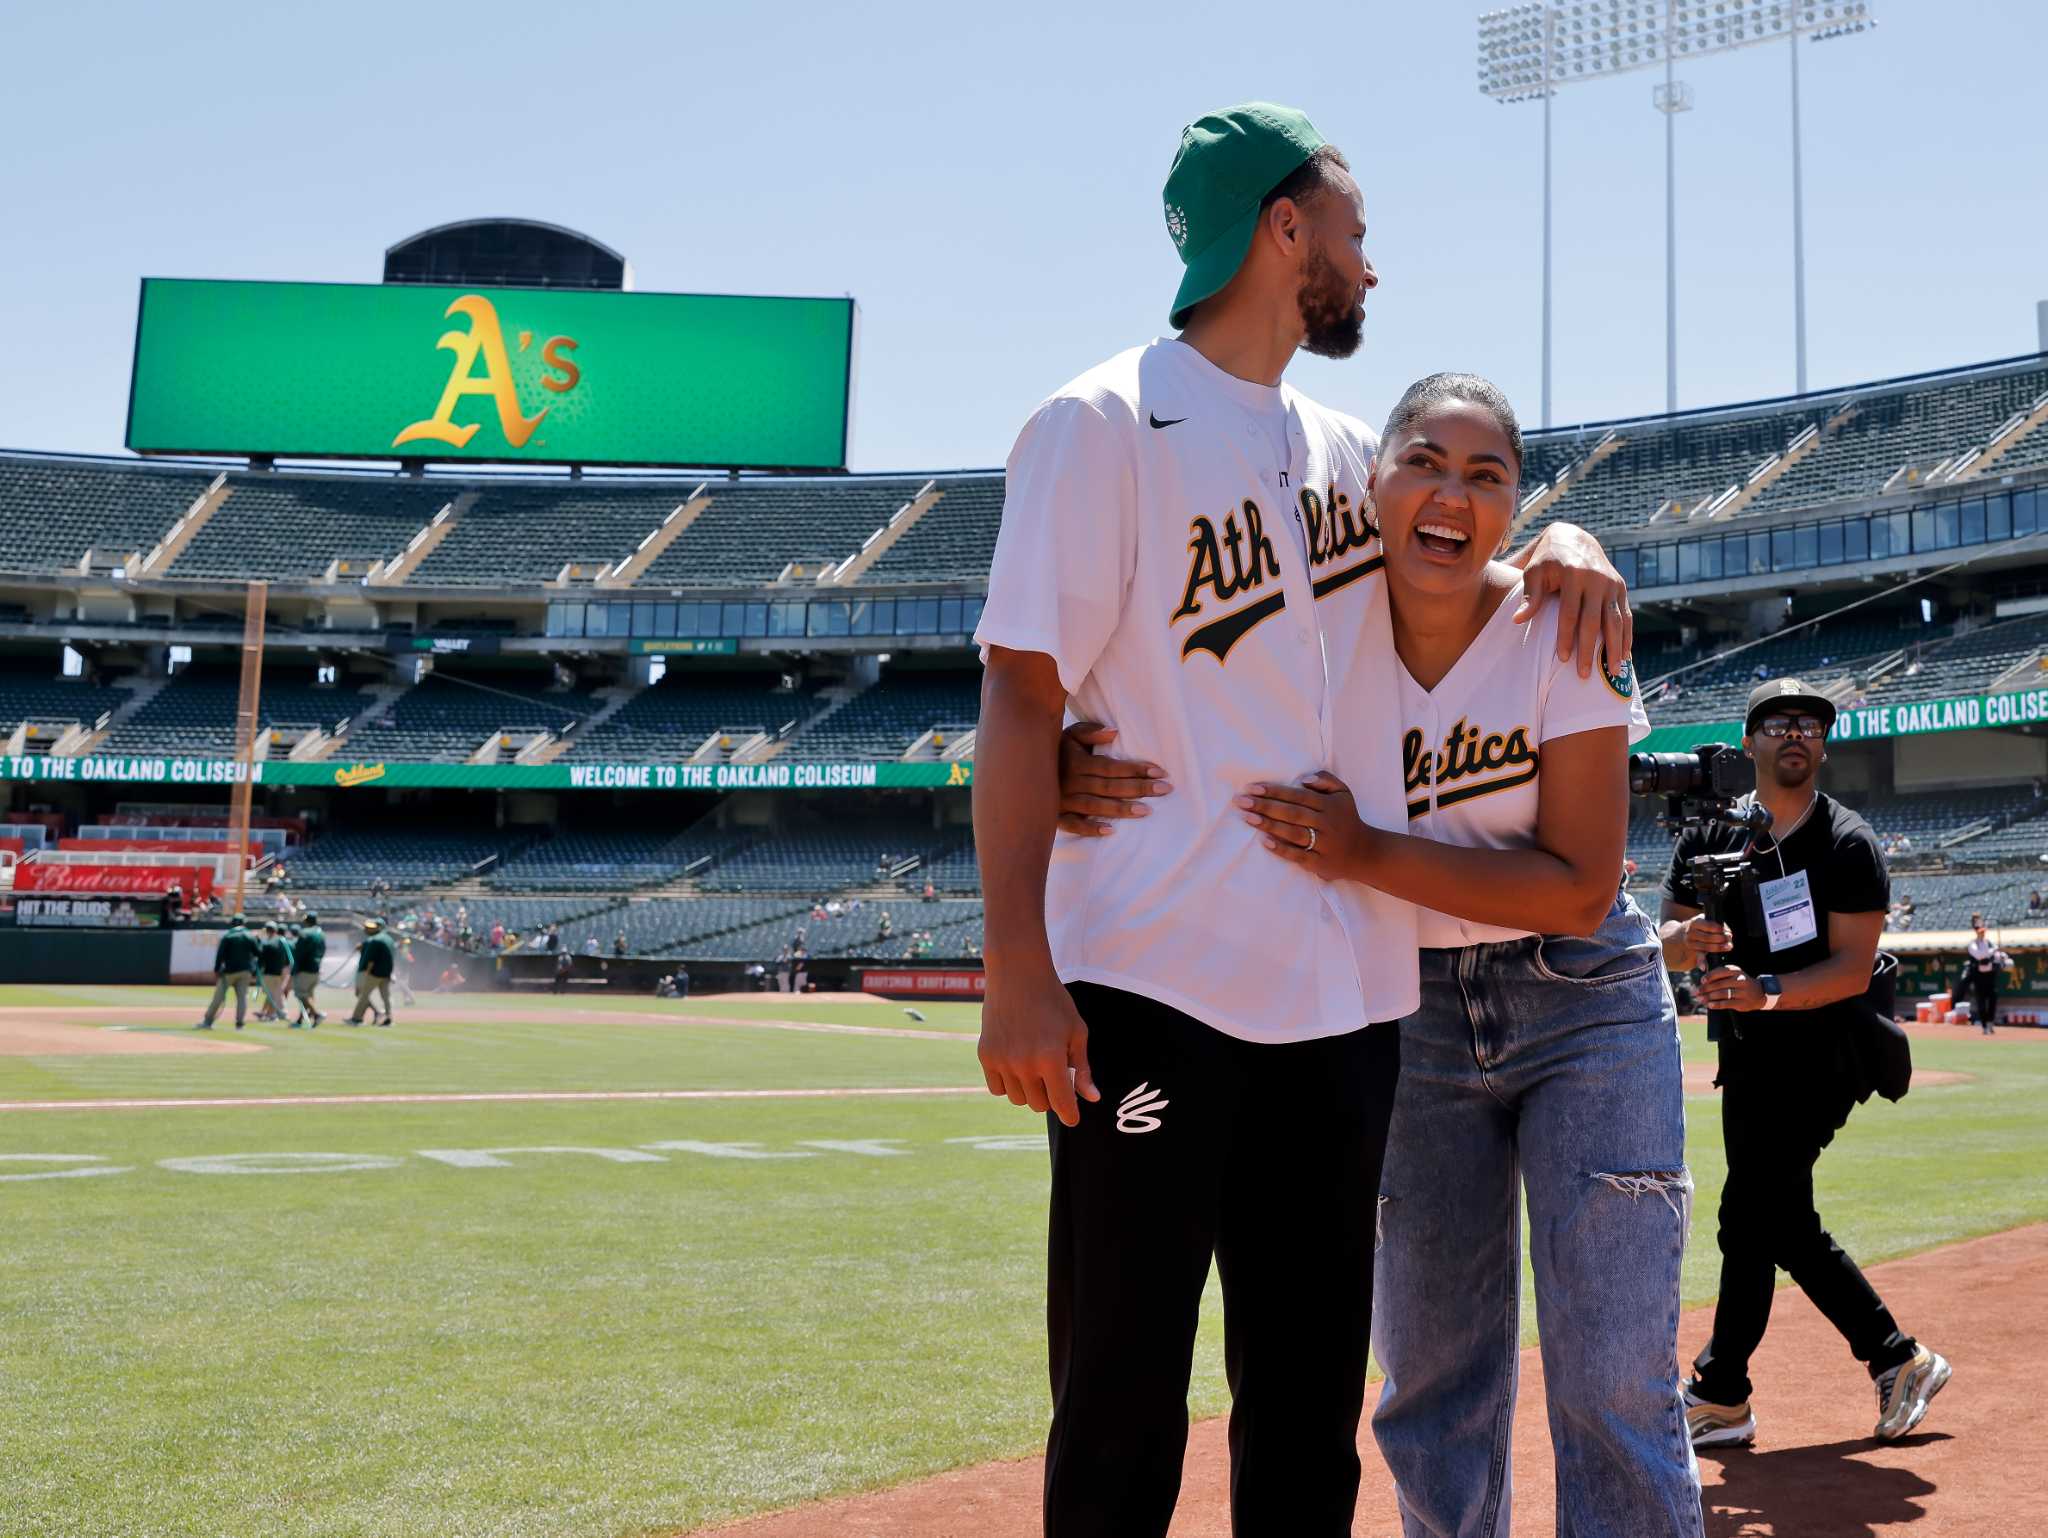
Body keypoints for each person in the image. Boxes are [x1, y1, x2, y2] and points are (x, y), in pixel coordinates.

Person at [973, 102, 1627, 1535]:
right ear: (1284, 228)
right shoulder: (1099, 422)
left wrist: (1571, 538)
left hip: (1341, 1002)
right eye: (1353, 231)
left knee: (1310, 1409)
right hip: (1150, 978)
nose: (1369, 266)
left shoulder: (1345, 448)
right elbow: (1019, 694)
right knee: (1122, 1393)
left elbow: (1469, 558)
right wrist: (1016, 965)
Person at [1061, 375, 1694, 1535]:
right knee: (1430, 1386)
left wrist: (1362, 850)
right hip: (1406, 1005)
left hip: (1581, 1000)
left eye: (1485, 475)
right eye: (1422, 463)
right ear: (1369, 486)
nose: (1450, 493)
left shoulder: (1563, 622)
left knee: (1611, 1375)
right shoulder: (1306, 628)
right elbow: (1166, 671)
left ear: (1514, 506)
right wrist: (1059, 754)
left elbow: (1578, 886)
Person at [1660, 679, 1950, 1445]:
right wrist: (1691, 944)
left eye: (1811, 725)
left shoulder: (1847, 841)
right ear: (1749, 741)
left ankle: (1727, 1389)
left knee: (1753, 1214)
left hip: (1828, 1051)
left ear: (1822, 746)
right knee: (1773, 1220)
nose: (1796, 733)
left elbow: (1852, 969)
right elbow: (1668, 939)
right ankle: (1890, 1360)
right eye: (1779, 722)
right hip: (1748, 1054)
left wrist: (1765, 991)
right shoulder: (1708, 834)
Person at [196, 914, 260, 1030]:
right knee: (242, 998)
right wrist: (254, 970)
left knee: (218, 997)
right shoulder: (250, 936)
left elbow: (220, 955)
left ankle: (208, 1021)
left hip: (229, 972)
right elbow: (258, 953)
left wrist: (216, 969)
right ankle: (240, 1023)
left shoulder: (228, 936)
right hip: (245, 971)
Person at [1963, 917, 2009, 1034]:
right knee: (1981, 1002)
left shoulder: (1989, 943)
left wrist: (2002, 956)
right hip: (1978, 977)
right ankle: (1984, 1025)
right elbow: (1980, 955)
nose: (1982, 934)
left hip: (1990, 976)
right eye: (1980, 932)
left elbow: (1997, 955)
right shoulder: (1973, 944)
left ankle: (1990, 1022)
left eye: (1983, 932)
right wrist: (1993, 951)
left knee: (1993, 1000)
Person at [350, 918, 397, 1027]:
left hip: (374, 973)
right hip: (386, 973)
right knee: (386, 997)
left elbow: (371, 959)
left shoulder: (375, 939)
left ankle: (357, 1018)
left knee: (363, 995)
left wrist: (367, 972)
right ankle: (389, 1018)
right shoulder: (389, 939)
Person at [255, 922, 292, 1022]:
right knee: (275, 994)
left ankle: (275, 1014)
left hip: (270, 972)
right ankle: (270, 1013)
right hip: (281, 972)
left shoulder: (268, 943)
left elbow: (260, 956)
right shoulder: (283, 942)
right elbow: (289, 960)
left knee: (273, 994)